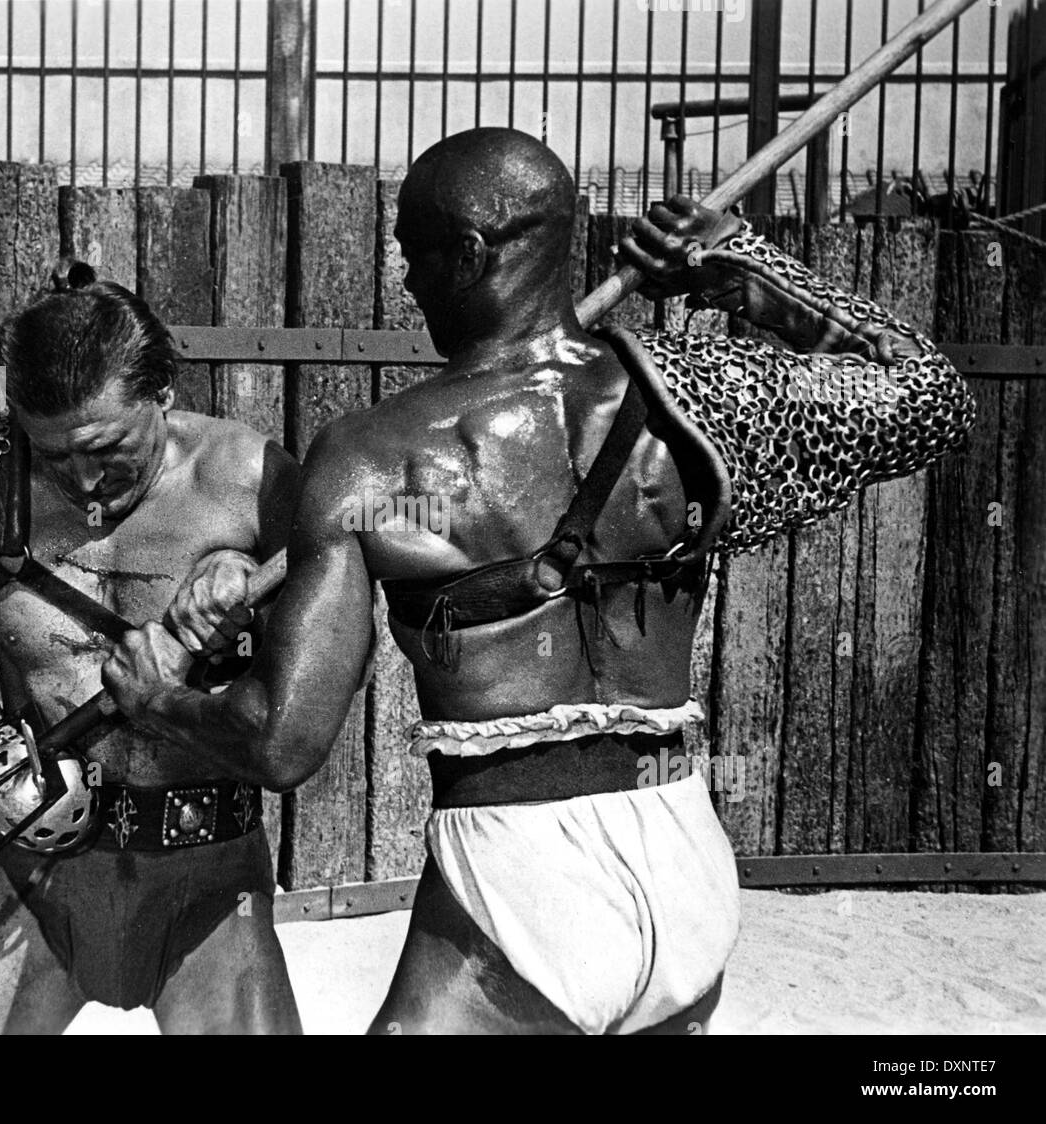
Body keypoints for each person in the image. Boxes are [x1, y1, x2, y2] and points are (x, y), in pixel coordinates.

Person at [101, 128, 976, 1034]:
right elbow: (929, 392)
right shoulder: (695, 405)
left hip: (520, 881)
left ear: (471, 254)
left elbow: (282, 743)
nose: (405, 284)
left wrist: (156, 697)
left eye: (413, 256)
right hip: (683, 857)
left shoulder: (376, 463)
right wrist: (734, 268)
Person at [0, 262, 302, 1034]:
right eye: (52, 454)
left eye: (108, 448)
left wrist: (250, 605)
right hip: (36, 888)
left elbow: (311, 689)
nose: (85, 481)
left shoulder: (252, 480)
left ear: (164, 393)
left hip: (209, 885)